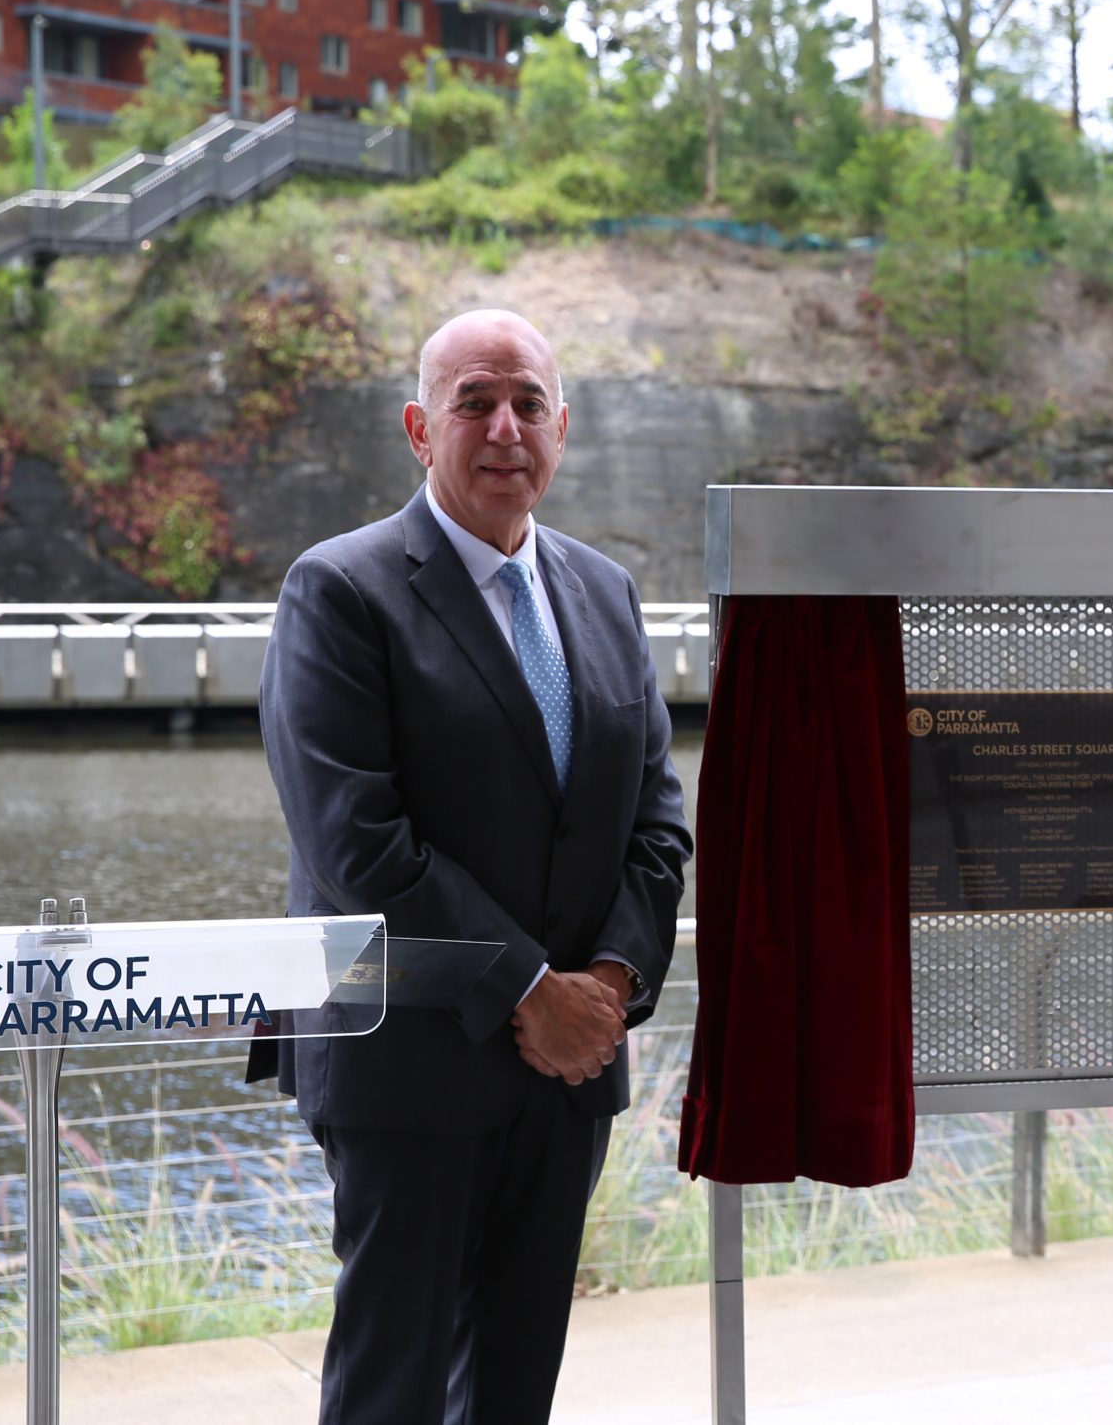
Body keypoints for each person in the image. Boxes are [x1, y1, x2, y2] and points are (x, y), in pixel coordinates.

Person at [253, 309, 691, 1425]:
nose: (505, 427)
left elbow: (656, 817)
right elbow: (357, 842)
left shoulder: (605, 591)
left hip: (571, 1066)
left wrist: (609, 987)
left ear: (561, 426)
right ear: (419, 426)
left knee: (513, 1382)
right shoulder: (340, 590)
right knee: (391, 1386)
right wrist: (526, 992)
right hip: (406, 1060)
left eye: (529, 404)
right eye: (474, 403)